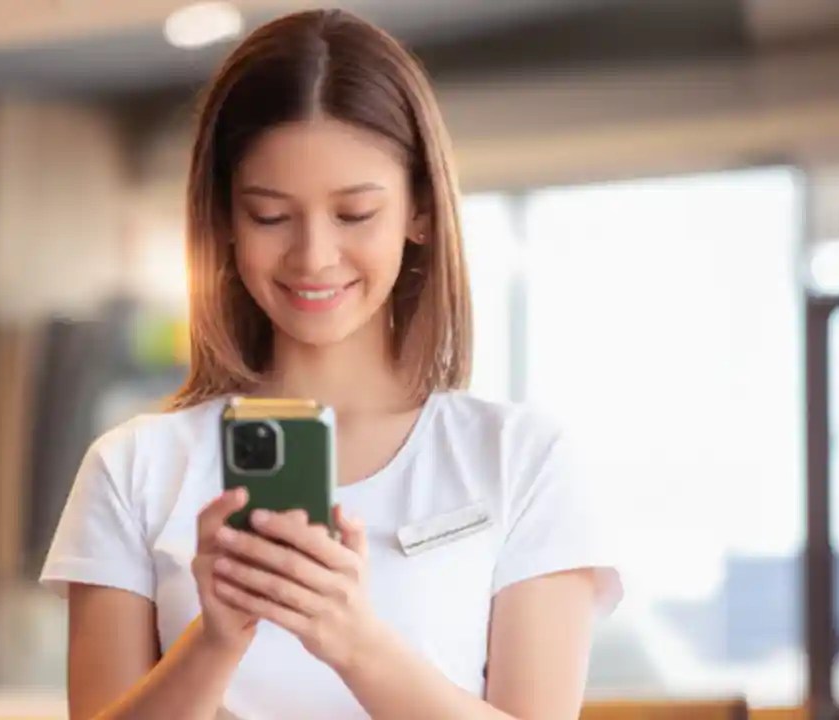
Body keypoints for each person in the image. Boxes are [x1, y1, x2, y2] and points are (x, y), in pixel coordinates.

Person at [41, 9, 621, 720]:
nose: (313, 256)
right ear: (223, 219)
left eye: (354, 214)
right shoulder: (133, 468)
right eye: (270, 216)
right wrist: (215, 641)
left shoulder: (520, 460)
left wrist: (353, 640)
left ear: (420, 212)